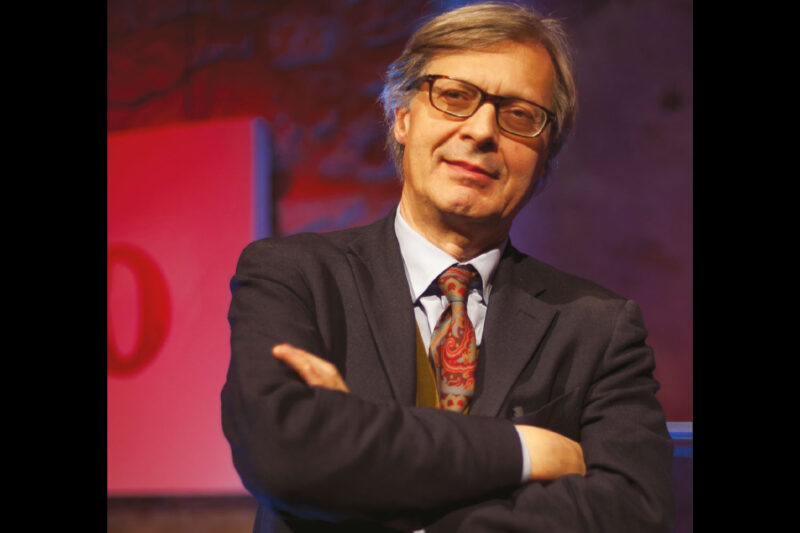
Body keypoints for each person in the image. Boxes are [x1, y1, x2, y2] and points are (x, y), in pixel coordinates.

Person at [221, 2, 675, 532]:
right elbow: (284, 451)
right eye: (455, 97)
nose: (482, 131)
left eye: (519, 114)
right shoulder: (293, 277)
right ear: (402, 118)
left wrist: (356, 451)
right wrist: (523, 451)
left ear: (545, 155)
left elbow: (635, 510)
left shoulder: (599, 327)